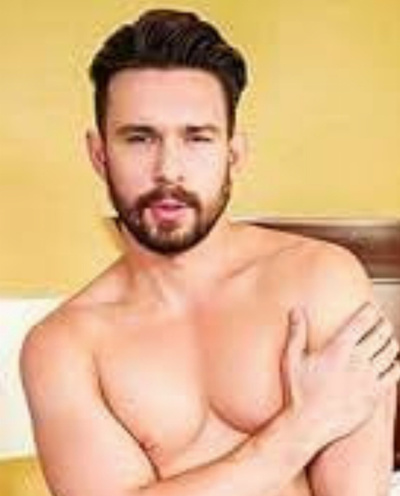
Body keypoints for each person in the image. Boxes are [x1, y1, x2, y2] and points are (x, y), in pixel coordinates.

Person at [20, 9, 399, 496]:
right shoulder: (65, 348)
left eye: (197, 137)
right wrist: (300, 430)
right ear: (100, 154)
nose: (168, 170)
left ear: (233, 154)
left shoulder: (320, 281)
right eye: (139, 138)